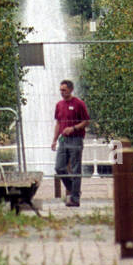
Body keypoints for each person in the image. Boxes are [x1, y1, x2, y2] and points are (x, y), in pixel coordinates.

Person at [51, 79, 90, 207]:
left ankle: (74, 198)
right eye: (60, 90)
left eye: (64, 90)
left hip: (76, 139)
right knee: (59, 167)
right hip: (63, 140)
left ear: (71, 90)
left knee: (75, 168)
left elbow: (86, 121)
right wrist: (54, 140)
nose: (62, 92)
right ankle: (75, 189)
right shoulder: (59, 105)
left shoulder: (79, 104)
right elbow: (58, 123)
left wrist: (73, 128)